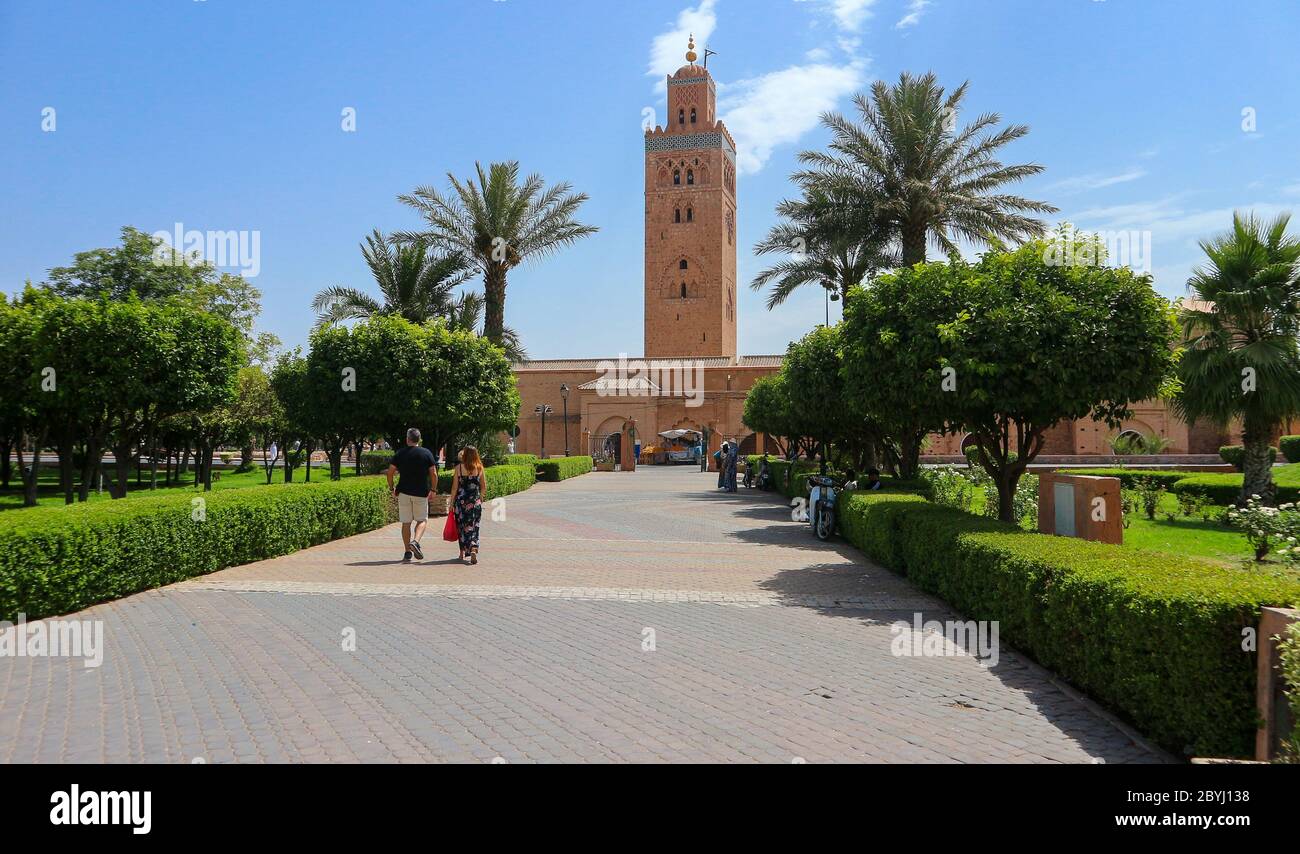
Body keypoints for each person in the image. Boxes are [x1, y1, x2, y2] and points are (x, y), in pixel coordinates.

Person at [386, 428, 437, 562]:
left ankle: (407, 552)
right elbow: (434, 473)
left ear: (407, 439)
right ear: (419, 439)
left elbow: (390, 472)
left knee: (406, 522)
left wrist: (392, 488)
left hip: (403, 492)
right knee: (422, 520)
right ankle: (415, 541)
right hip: (421, 492)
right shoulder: (426, 453)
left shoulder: (400, 453)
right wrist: (433, 489)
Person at [451, 445, 487, 565]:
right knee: (474, 526)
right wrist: (479, 499)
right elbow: (483, 487)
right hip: (475, 502)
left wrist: (451, 503)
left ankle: (462, 552)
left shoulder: (459, 468)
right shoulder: (480, 468)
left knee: (461, 527)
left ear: (464, 455)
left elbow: (455, 488)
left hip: (461, 502)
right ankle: (473, 548)